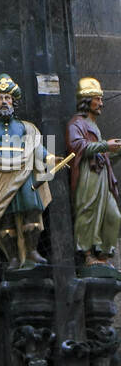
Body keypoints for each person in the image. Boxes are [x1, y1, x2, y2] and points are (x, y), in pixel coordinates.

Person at [0, 73, 57, 270]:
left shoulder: (24, 127)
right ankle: (13, 256)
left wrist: (48, 158)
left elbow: (36, 147)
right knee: (4, 215)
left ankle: (31, 251)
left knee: (32, 209)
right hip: (0, 174)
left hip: (23, 172)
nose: (4, 102)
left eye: (7, 98)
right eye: (0, 98)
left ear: (13, 102)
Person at [66, 78, 121, 266]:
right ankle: (88, 254)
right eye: (98, 99)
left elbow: (102, 155)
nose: (101, 104)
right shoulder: (77, 123)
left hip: (101, 174)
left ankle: (104, 257)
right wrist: (105, 145)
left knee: (114, 215)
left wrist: (116, 151)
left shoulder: (94, 126)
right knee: (87, 211)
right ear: (87, 100)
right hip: (88, 174)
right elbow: (76, 145)